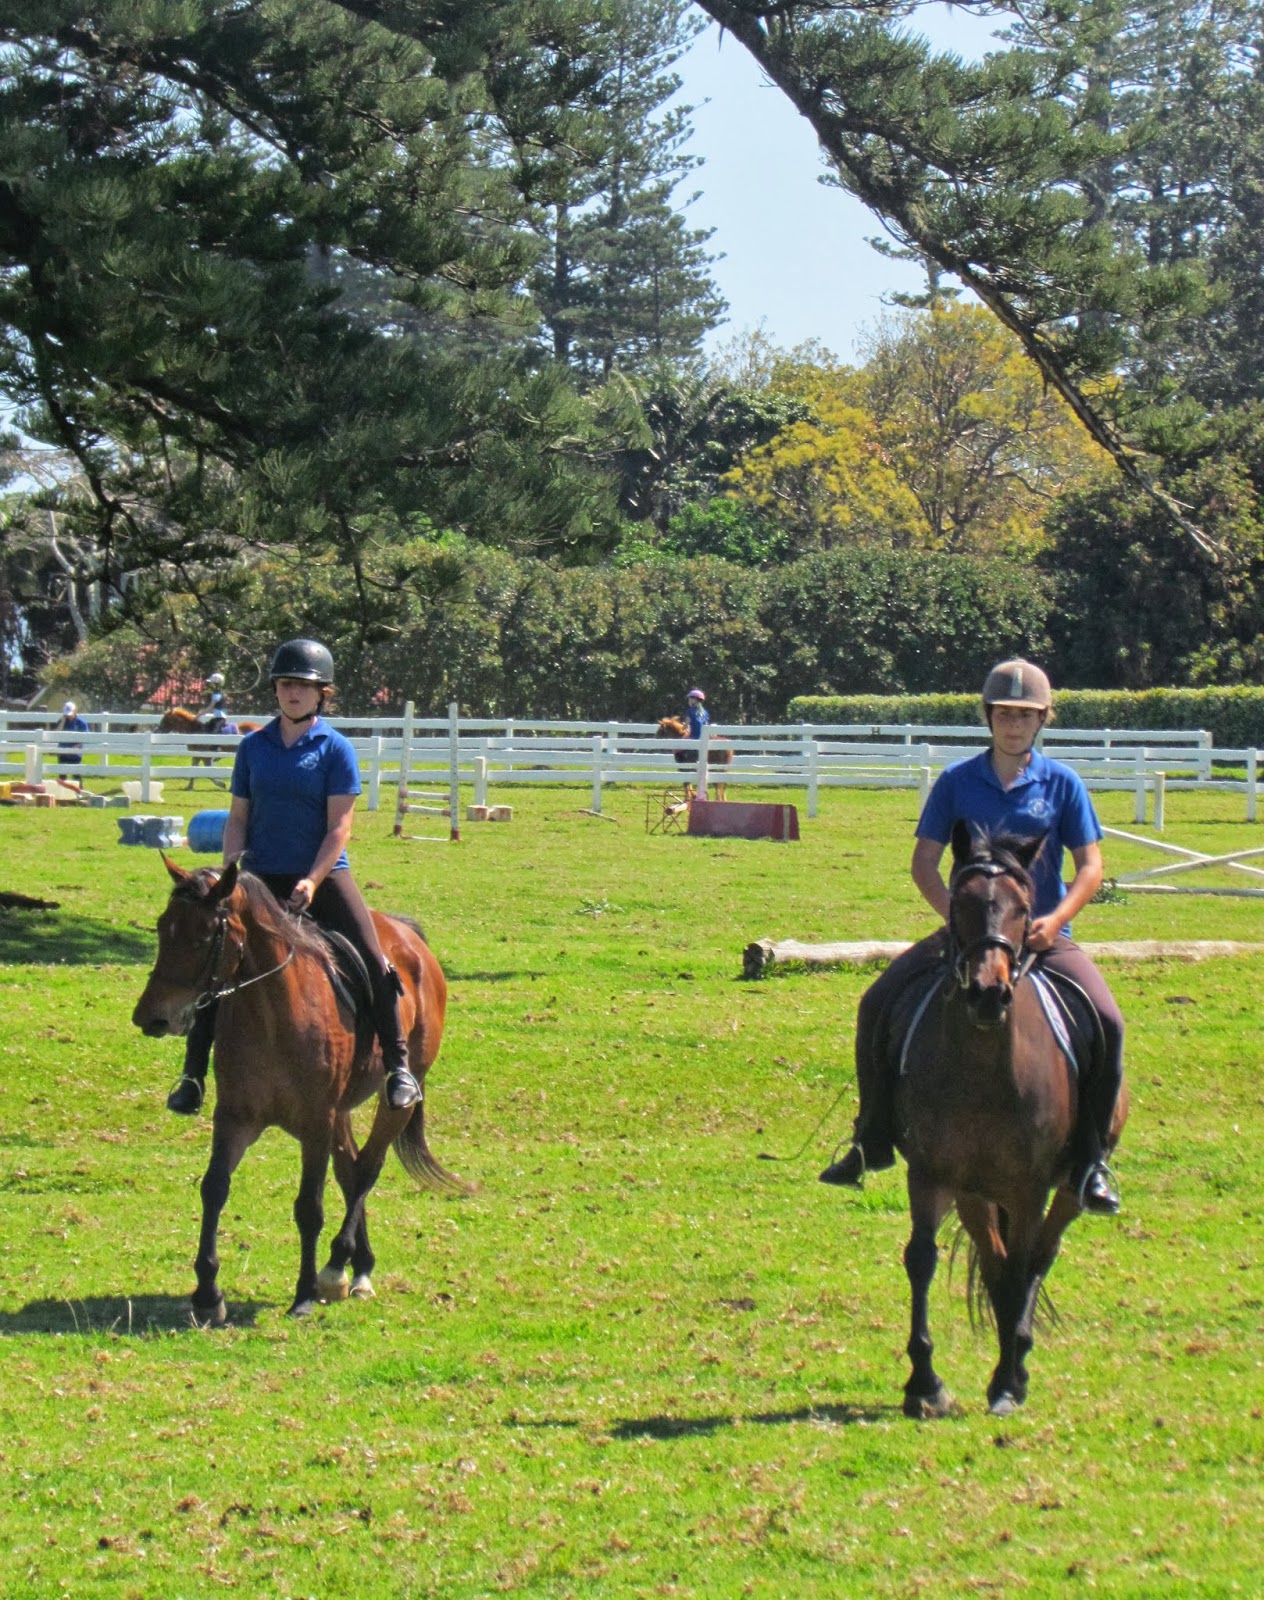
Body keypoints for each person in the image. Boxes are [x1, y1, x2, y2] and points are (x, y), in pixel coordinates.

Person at [819, 658, 1124, 1214]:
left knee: (1109, 1022)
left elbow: (1091, 868)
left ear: (1041, 722)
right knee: (876, 1002)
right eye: (1005, 714)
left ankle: (1091, 1161)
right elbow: (924, 864)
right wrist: (955, 920)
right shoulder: (957, 782)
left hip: (1040, 939)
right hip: (967, 939)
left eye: (1025, 716)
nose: (1014, 725)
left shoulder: (1063, 784)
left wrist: (1054, 923)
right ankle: (872, 1138)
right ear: (988, 718)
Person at [165, 638, 421, 1116]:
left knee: (374, 959)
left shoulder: (335, 749)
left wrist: (313, 880)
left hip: (321, 877)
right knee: (215, 960)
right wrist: (232, 871)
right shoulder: (253, 747)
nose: (293, 693)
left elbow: (340, 826)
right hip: (258, 878)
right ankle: (193, 1076)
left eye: (303, 686)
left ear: (322, 693)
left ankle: (398, 1069)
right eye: (286, 684)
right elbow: (238, 816)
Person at [56, 700, 89, 766]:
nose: (68, 716)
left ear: (75, 711)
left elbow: (85, 737)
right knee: (62, 773)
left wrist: (75, 748)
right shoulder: (62, 721)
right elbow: (57, 733)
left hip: (75, 753)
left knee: (76, 773)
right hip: (63, 751)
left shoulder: (81, 723)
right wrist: (62, 721)